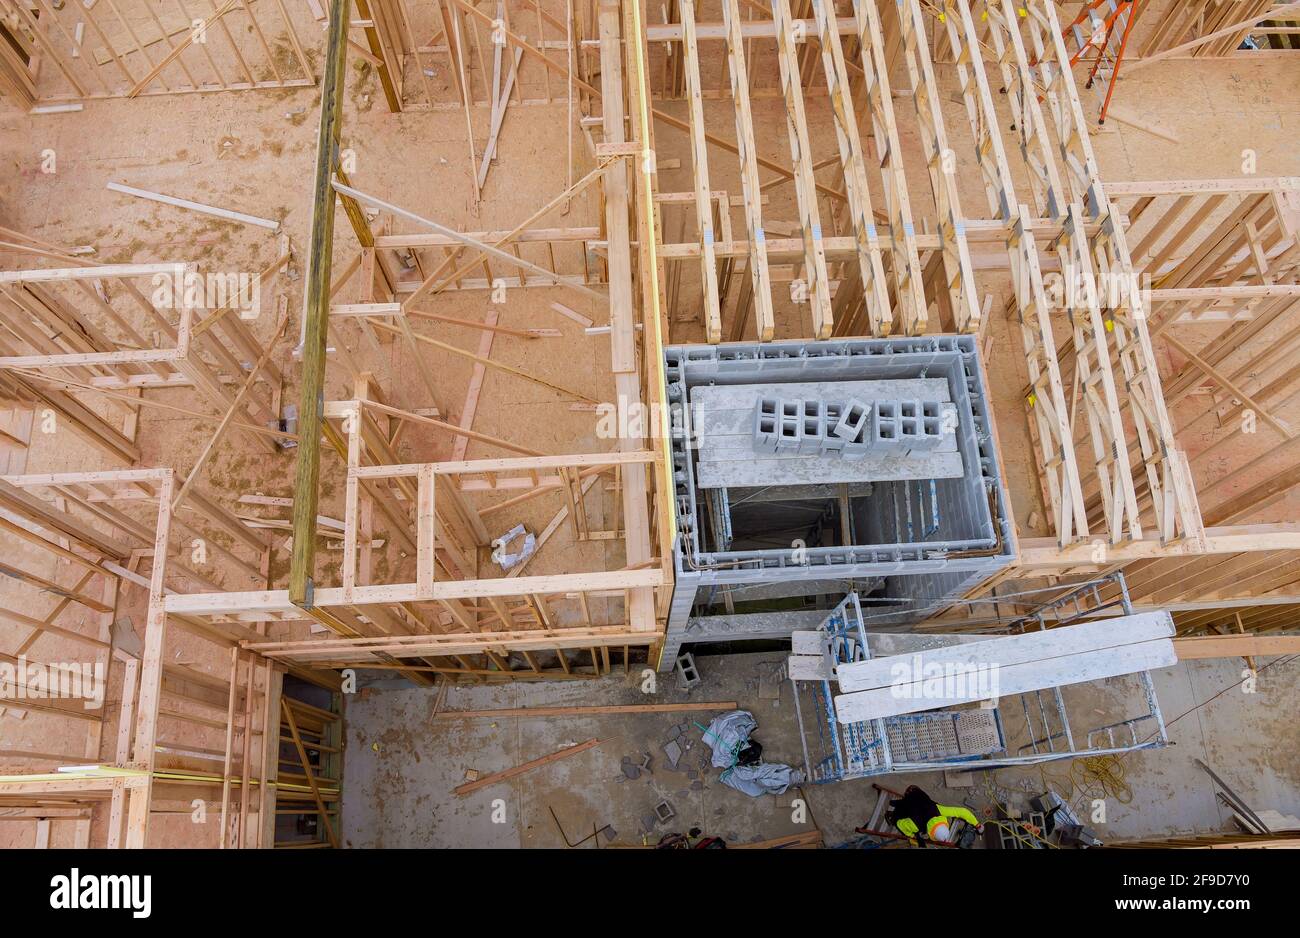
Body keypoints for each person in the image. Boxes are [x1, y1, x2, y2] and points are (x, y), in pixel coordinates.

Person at [877, 785, 982, 847]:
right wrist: (913, 838)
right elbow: (900, 825)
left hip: (913, 791)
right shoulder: (916, 826)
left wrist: (977, 825)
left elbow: (963, 812)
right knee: (898, 820)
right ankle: (891, 815)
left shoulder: (939, 810)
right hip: (904, 807)